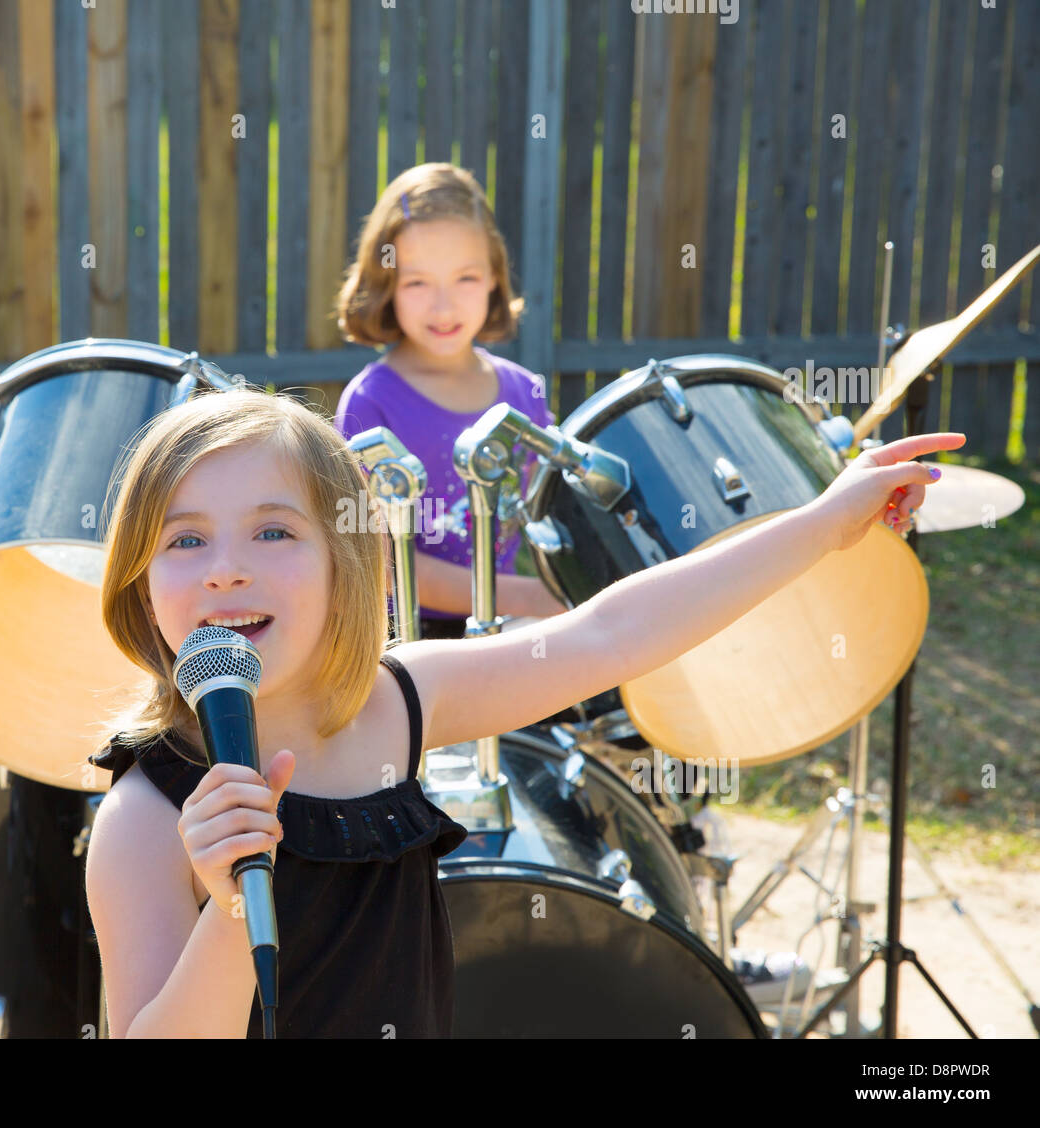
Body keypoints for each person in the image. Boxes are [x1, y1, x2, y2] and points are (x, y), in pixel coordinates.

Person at [83, 383, 961, 1038]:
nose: (225, 566)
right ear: (140, 577)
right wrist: (232, 905)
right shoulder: (146, 817)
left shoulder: (395, 703)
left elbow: (610, 633)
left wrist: (821, 521)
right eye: (184, 539)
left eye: (273, 531)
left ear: (344, 561)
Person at [332, 162, 564, 640]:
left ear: (495, 277)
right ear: (386, 283)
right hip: (404, 650)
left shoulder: (525, 394)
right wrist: (526, 596)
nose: (444, 306)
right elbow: (377, 563)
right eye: (417, 282)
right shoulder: (369, 403)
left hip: (500, 637)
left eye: (465, 278)